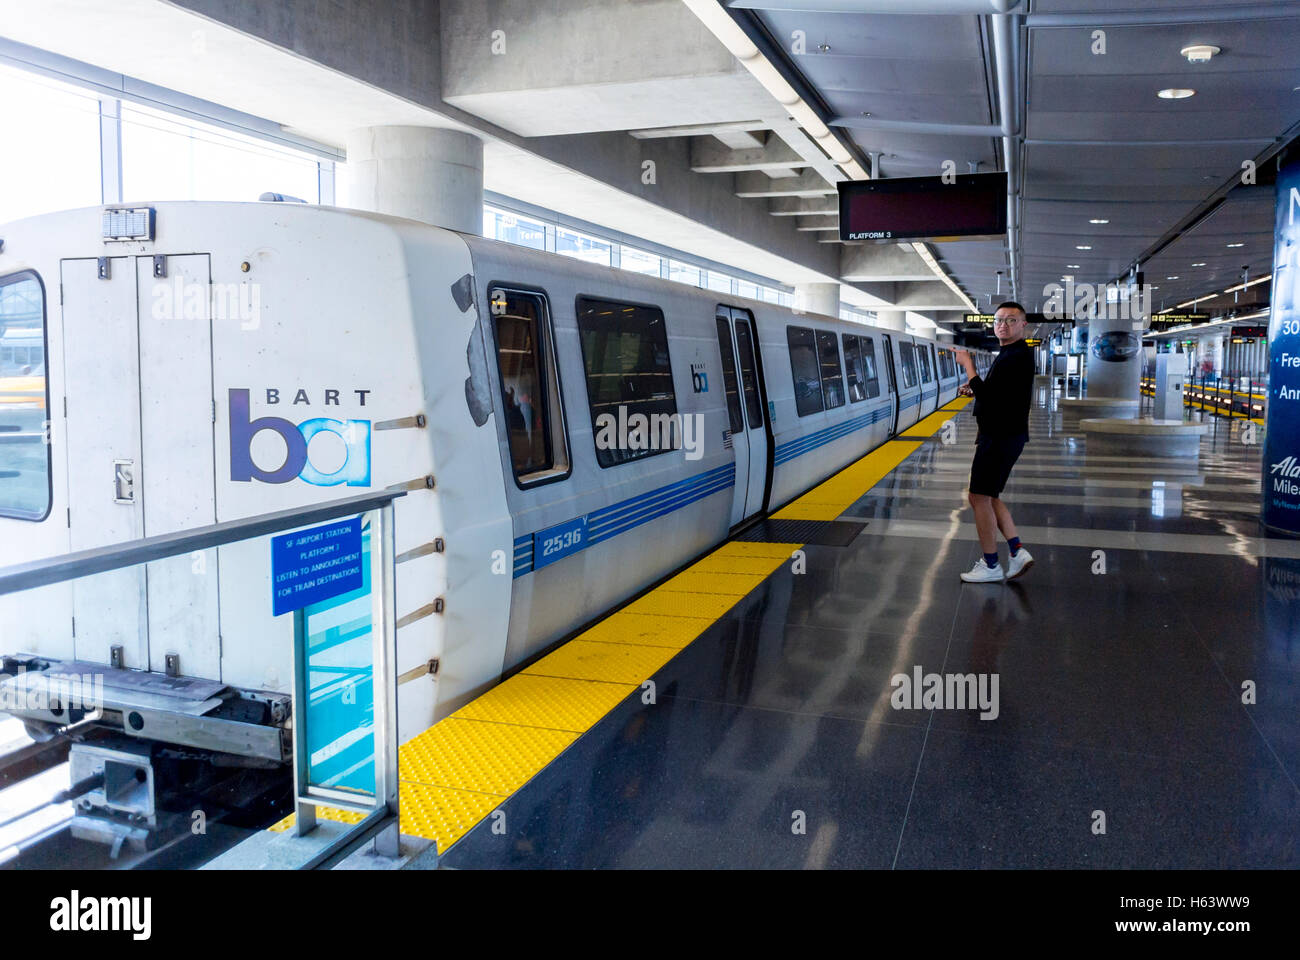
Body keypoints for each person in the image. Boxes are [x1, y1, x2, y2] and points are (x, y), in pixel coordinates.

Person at [953, 302, 1035, 583]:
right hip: (1005, 436)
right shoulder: (1013, 354)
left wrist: (968, 366)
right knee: (989, 496)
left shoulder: (1015, 356)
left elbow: (990, 400)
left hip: (999, 437)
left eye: (1011, 320)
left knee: (977, 497)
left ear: (1023, 325)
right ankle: (1017, 551)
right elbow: (997, 395)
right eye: (999, 320)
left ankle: (990, 565)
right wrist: (975, 388)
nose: (1002, 324)